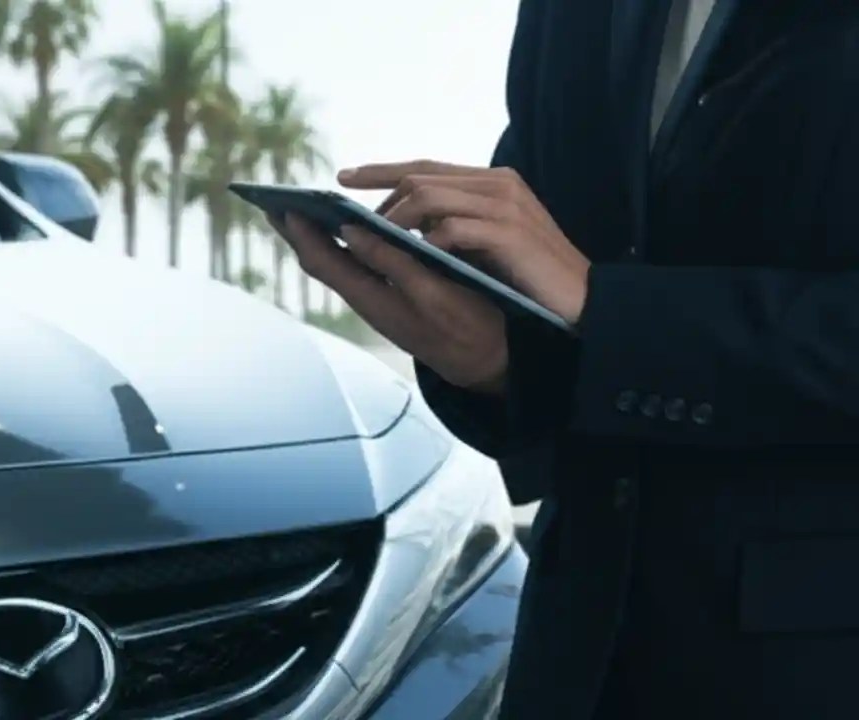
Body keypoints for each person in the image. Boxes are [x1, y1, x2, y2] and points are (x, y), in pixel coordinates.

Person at [273, 1, 859, 718]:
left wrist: (604, 306)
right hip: (571, 654)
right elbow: (568, 332)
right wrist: (494, 364)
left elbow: (595, 302)